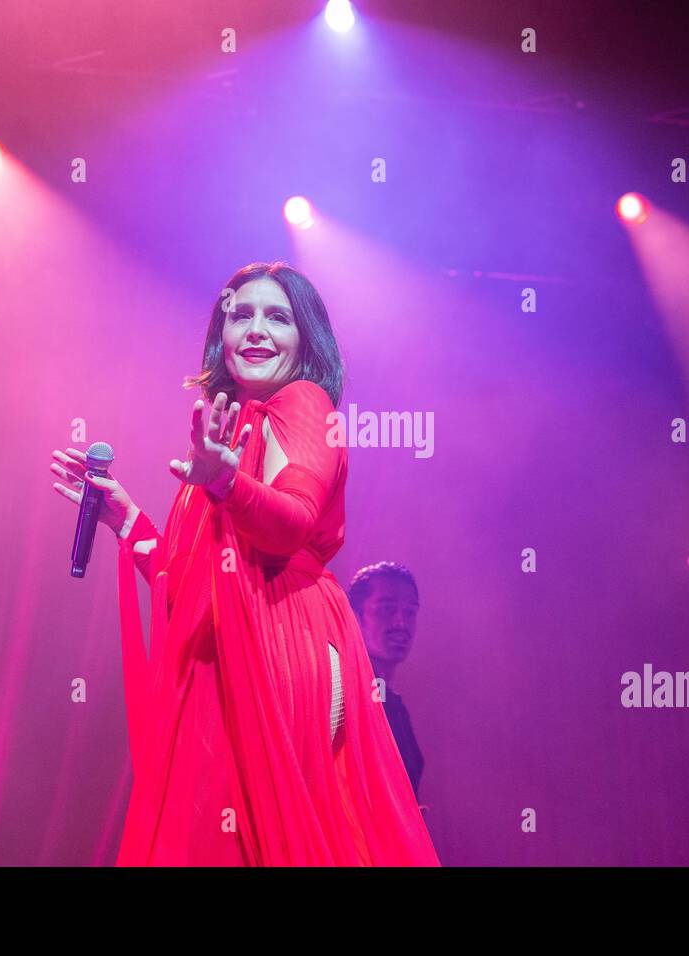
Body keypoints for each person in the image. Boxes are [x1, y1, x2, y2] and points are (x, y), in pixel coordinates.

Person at [49, 261, 438, 866]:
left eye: (277, 317)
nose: (256, 329)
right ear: (220, 336)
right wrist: (127, 520)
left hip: (287, 639)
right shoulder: (230, 434)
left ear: (307, 338)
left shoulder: (304, 403)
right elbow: (196, 587)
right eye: (240, 315)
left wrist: (229, 483)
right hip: (237, 640)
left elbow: (292, 521)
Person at [348, 562, 424, 801]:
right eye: (386, 609)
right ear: (355, 617)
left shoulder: (395, 707)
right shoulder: (343, 697)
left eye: (410, 612)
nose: (400, 623)